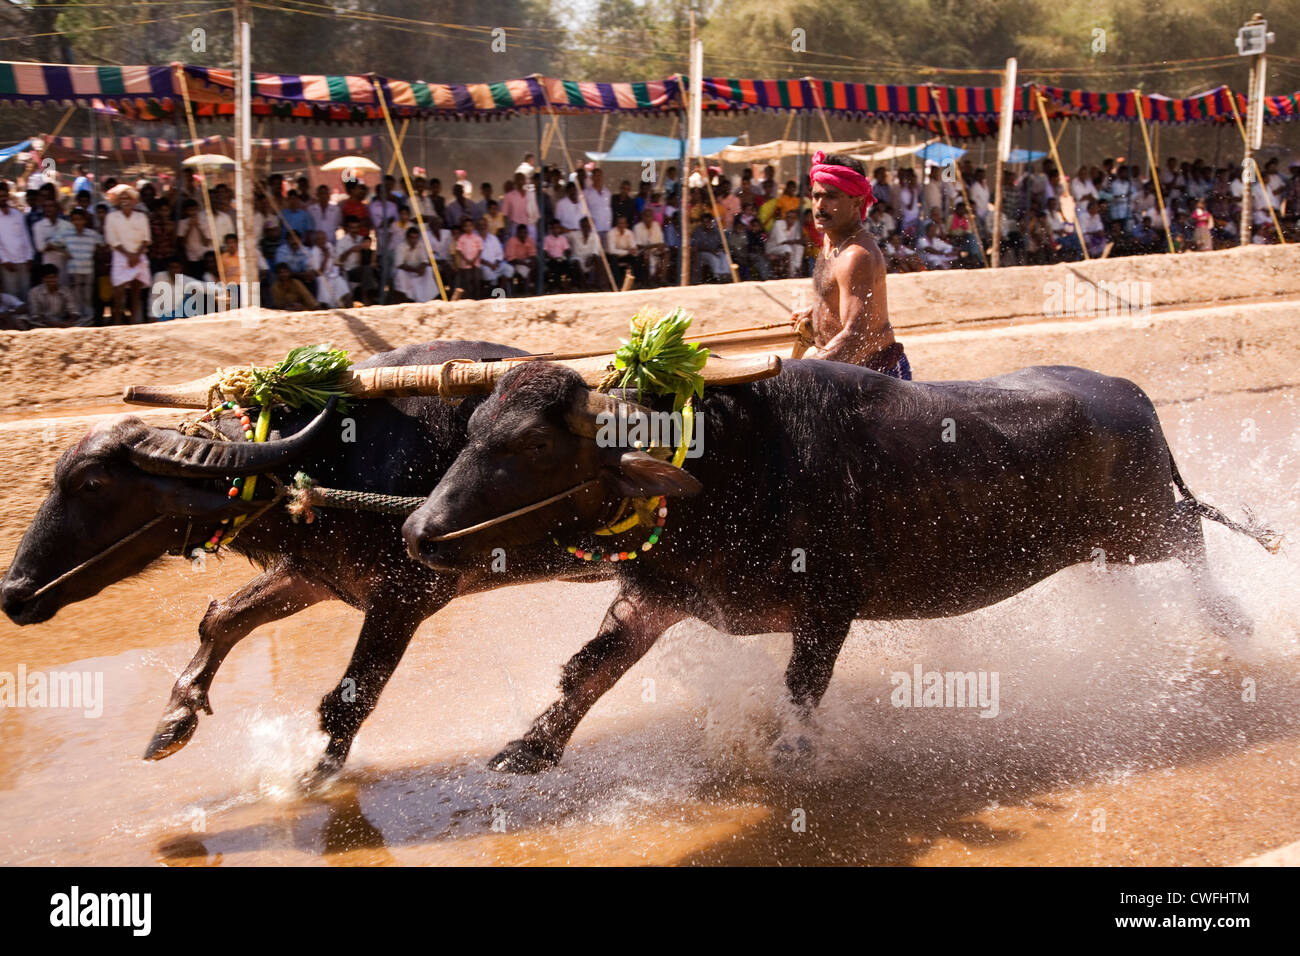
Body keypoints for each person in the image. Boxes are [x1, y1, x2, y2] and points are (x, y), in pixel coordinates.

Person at [791, 152, 910, 378]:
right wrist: (817, 312)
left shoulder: (856, 255)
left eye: (831, 197)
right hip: (847, 371)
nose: (820, 205)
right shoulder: (831, 239)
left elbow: (856, 336)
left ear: (856, 202)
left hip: (876, 378)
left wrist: (799, 374)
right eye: (816, 196)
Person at [104, 184, 151, 323]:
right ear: (118, 201)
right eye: (122, 198)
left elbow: (146, 239)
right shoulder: (112, 217)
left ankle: (133, 322)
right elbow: (112, 240)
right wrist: (129, 255)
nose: (125, 201)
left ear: (134, 201)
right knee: (119, 292)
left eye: (128, 198)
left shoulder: (141, 217)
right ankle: (117, 322)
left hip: (139, 255)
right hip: (120, 255)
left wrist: (136, 255)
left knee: (136, 290)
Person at [55, 206, 102, 324]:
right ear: (71, 221)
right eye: (75, 219)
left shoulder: (92, 234)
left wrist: (95, 251)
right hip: (74, 269)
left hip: (88, 269)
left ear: (84, 220)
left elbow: (103, 243)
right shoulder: (66, 234)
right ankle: (79, 320)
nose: (78, 222)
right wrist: (64, 252)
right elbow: (51, 243)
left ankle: (89, 319)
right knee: (75, 296)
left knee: (88, 296)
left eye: (80, 219)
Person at [0, 182, 34, 304]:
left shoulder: (17, 214)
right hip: (8, 263)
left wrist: (30, 256)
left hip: (23, 260)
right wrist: (4, 260)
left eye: (4, 195)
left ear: (8, 196)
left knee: (26, 292)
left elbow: (25, 236)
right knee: (12, 295)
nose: (3, 198)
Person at [392, 227, 438, 303]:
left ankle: (428, 299)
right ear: (407, 238)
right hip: (407, 272)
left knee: (429, 270)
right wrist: (415, 270)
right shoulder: (400, 247)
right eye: (412, 238)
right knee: (400, 273)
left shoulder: (421, 245)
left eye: (416, 238)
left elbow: (425, 260)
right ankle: (405, 299)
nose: (414, 240)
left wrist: (422, 268)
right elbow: (399, 264)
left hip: (418, 271)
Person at [632, 207, 668, 286]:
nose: (648, 218)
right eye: (646, 216)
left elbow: (661, 242)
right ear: (643, 217)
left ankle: (661, 278)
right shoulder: (637, 227)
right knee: (646, 254)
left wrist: (659, 247)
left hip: (655, 250)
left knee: (666, 253)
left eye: (650, 216)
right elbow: (638, 246)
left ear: (653, 217)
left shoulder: (656, 225)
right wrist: (654, 246)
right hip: (642, 252)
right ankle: (649, 280)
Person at [765, 208, 805, 278]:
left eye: (793, 218)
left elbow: (798, 241)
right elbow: (782, 242)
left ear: (795, 219)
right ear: (785, 218)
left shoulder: (796, 224)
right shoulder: (778, 224)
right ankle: (788, 273)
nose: (791, 219)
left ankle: (795, 270)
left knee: (800, 247)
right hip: (773, 248)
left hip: (787, 246)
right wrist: (798, 241)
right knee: (787, 249)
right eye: (789, 217)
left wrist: (799, 241)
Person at [605, 214, 638, 287]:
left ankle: (636, 282)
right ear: (616, 224)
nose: (621, 225)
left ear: (626, 224)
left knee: (636, 258)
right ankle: (617, 284)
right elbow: (611, 250)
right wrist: (627, 251)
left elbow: (633, 248)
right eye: (620, 223)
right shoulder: (611, 233)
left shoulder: (629, 233)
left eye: (623, 223)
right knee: (613, 258)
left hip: (624, 254)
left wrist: (631, 251)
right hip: (612, 256)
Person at [504, 224, 536, 292]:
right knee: (526, 269)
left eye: (525, 233)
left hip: (525, 262)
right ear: (517, 233)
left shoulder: (529, 239)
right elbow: (511, 259)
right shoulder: (512, 241)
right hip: (514, 263)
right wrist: (525, 263)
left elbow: (533, 253)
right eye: (521, 233)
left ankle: (531, 286)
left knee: (536, 263)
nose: (523, 235)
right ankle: (526, 291)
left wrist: (531, 261)